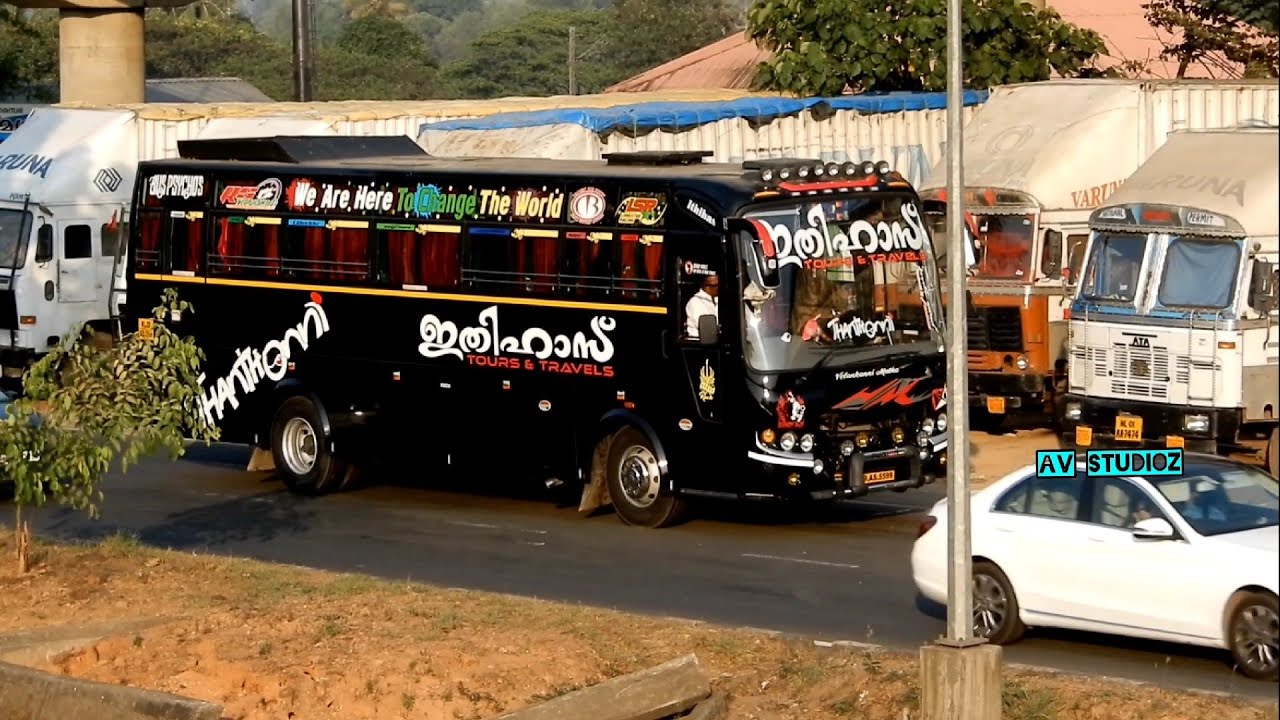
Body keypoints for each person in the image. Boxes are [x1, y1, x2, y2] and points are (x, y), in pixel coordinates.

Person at [685, 273, 719, 339]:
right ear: (707, 287)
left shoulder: (717, 300)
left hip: (715, 342)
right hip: (699, 343)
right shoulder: (695, 302)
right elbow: (707, 327)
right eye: (716, 285)